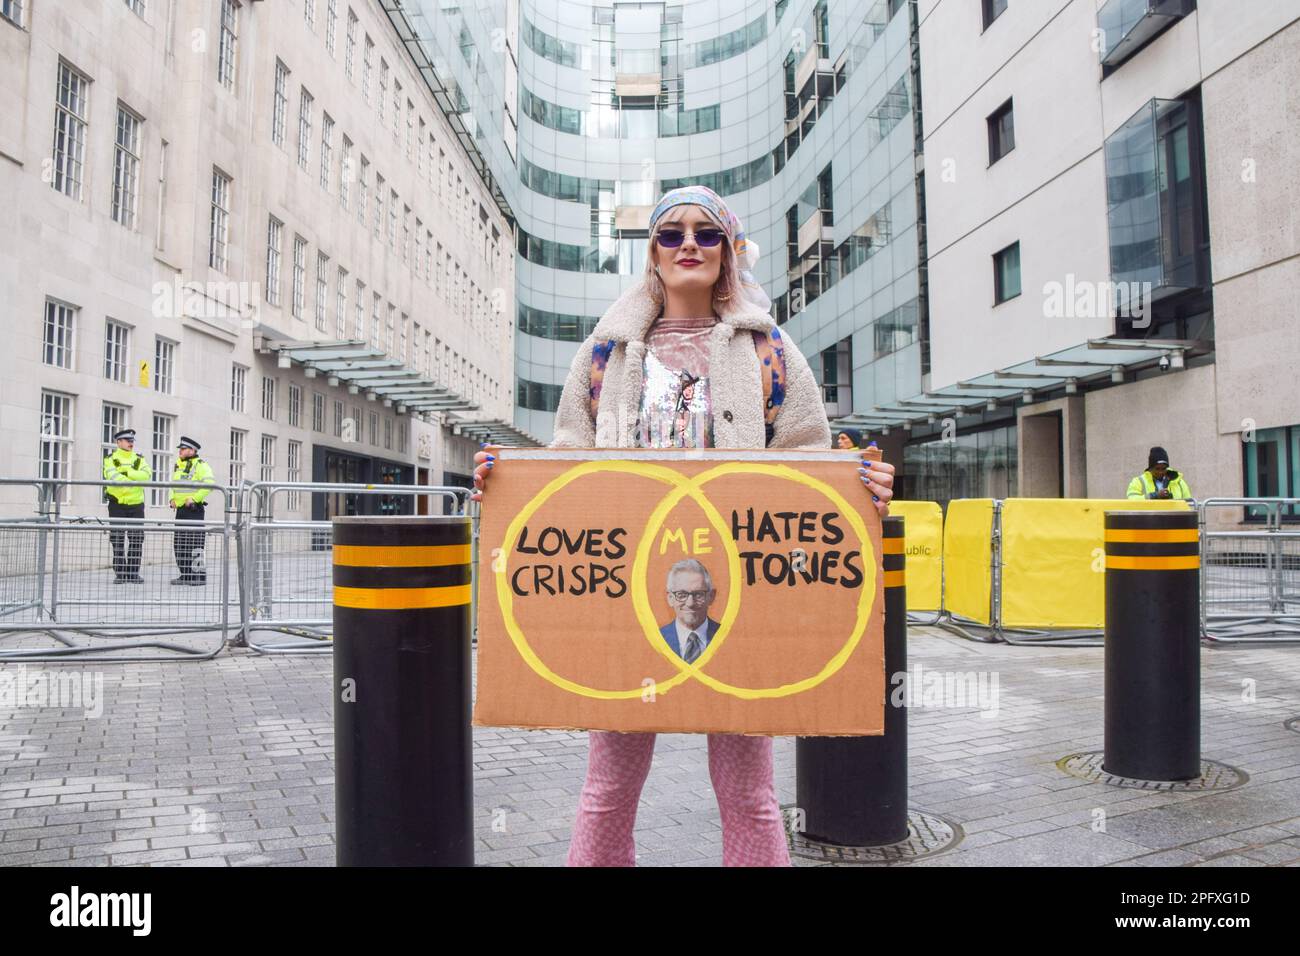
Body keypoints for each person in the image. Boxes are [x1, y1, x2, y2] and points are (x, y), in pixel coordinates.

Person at [471, 184, 896, 867]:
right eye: (672, 234)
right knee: (608, 789)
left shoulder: (771, 351)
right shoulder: (606, 352)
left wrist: (860, 486)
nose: (689, 245)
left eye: (706, 233)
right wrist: (505, 484)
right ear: (654, 254)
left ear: (728, 251)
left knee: (749, 794)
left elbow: (808, 459)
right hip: (624, 593)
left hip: (737, 594)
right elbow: (567, 464)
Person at [103, 427, 151, 584]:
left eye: (132, 441)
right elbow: (112, 476)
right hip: (117, 504)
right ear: (118, 442)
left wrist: (126, 473)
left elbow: (146, 476)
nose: (131, 443)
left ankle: (133, 573)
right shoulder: (109, 459)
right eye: (127, 440)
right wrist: (132, 476)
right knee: (117, 539)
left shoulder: (139, 458)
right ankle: (120, 573)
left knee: (137, 539)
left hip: (136, 504)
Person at [169, 436, 215, 585]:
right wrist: (171, 498)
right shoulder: (178, 465)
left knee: (195, 543)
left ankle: (199, 576)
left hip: (194, 509)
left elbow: (209, 483)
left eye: (183, 449)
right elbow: (173, 484)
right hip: (180, 510)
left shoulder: (201, 465)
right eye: (180, 449)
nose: (180, 452)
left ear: (192, 450)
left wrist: (195, 499)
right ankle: (185, 575)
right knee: (180, 543)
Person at [659, 559, 720, 662]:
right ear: (670, 598)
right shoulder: (657, 639)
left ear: (711, 597)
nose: (690, 603)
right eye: (681, 595)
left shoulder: (727, 636)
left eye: (698, 594)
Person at [1127, 446, 1192, 500]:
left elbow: (1189, 504)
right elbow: (1131, 499)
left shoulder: (1179, 482)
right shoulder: (1139, 481)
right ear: (1150, 468)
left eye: (1163, 469)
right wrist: (1154, 495)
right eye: (1157, 469)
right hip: (1150, 516)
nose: (1160, 472)